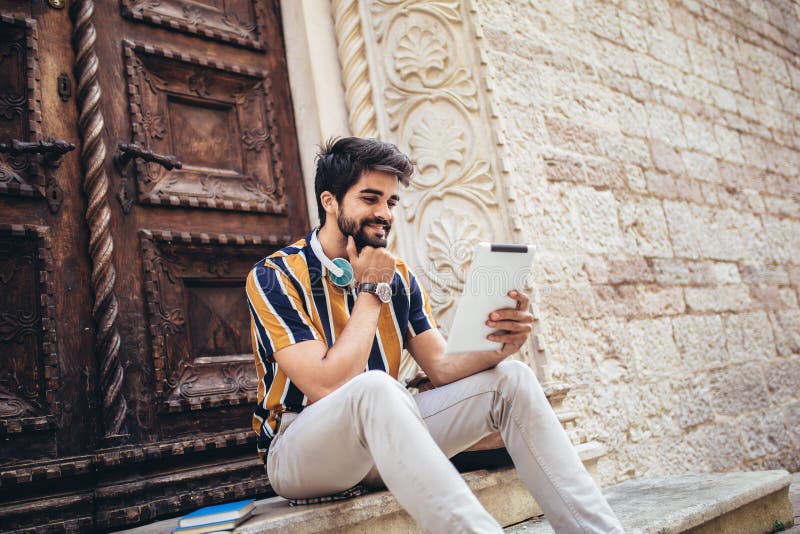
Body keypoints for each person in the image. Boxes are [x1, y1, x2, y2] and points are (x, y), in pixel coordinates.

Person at [245, 137, 624, 533]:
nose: (384, 214)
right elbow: (325, 385)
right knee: (377, 387)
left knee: (513, 380)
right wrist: (372, 291)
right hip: (300, 452)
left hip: (388, 438)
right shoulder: (275, 276)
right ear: (330, 201)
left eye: (391, 202)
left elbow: (441, 367)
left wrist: (499, 346)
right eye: (370, 199)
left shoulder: (401, 276)